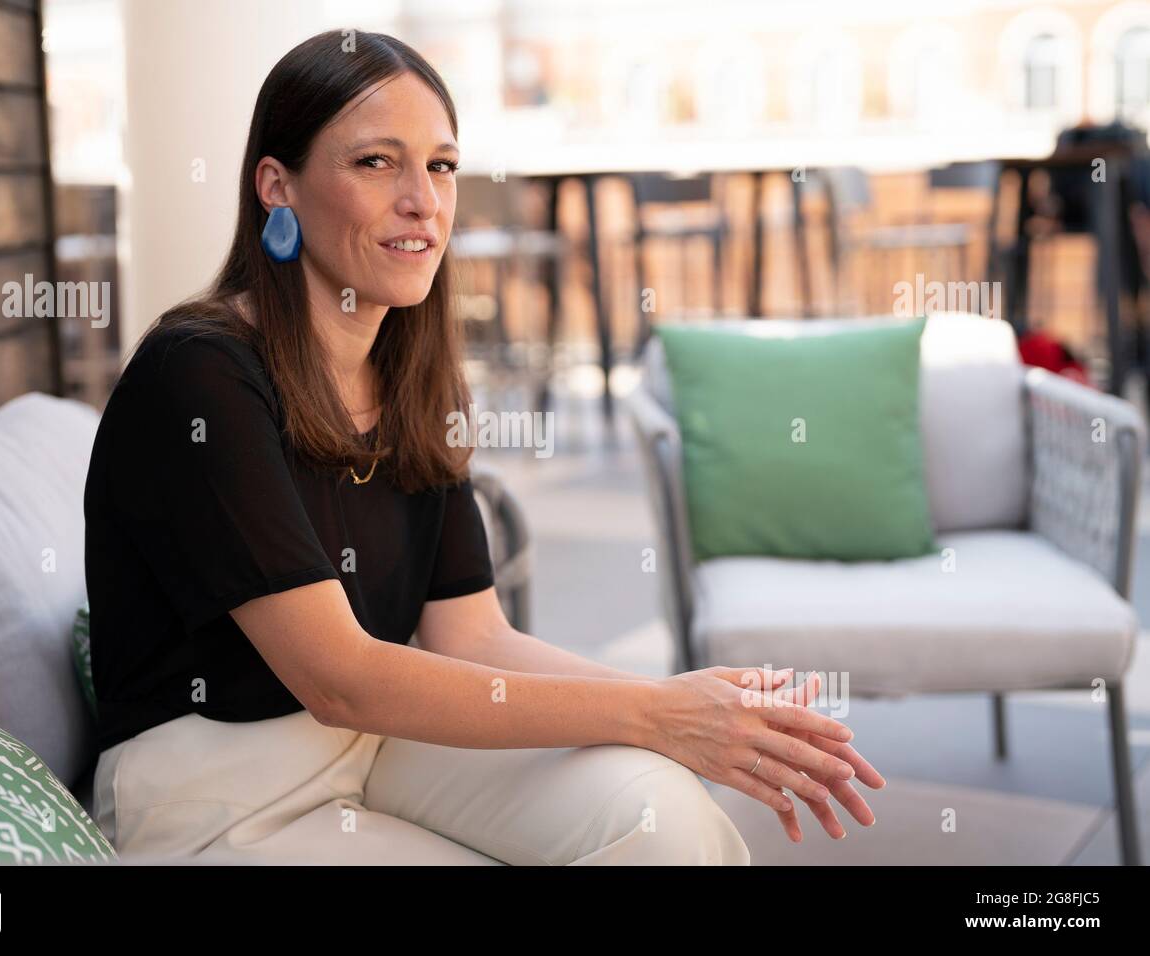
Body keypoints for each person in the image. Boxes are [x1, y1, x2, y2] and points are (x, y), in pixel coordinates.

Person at [83, 28, 884, 866]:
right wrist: (656, 717)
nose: (424, 202)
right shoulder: (198, 376)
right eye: (376, 163)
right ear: (277, 186)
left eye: (440, 165)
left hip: (382, 745)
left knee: (660, 817)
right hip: (223, 791)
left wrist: (690, 704)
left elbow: (474, 640)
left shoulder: (411, 377)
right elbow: (340, 678)